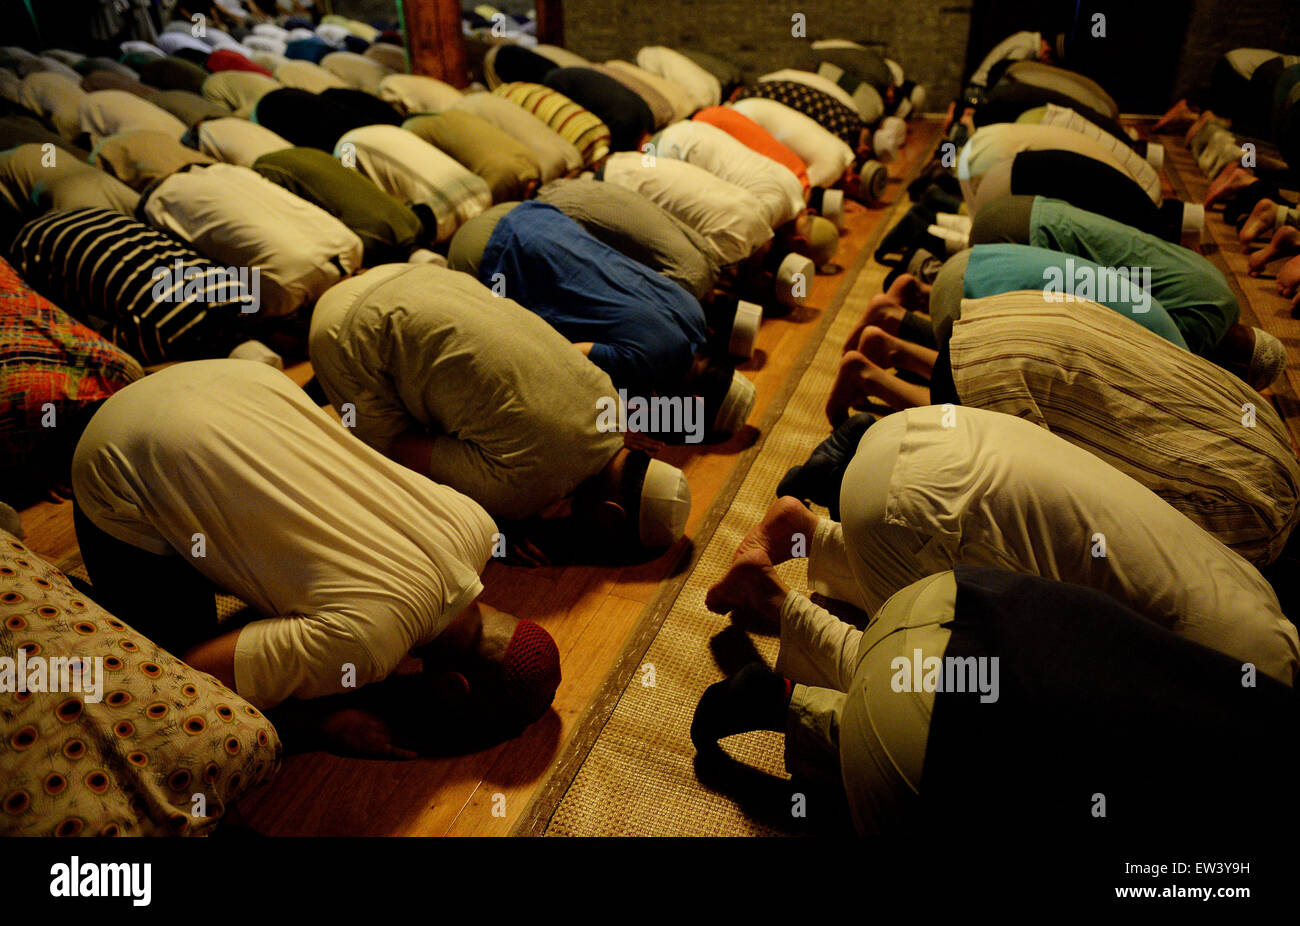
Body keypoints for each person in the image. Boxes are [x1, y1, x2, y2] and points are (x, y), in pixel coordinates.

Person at [71, 359, 562, 753]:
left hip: (235, 379)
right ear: (454, 688)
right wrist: (316, 722)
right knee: (164, 676)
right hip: (119, 449)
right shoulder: (365, 646)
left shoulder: (476, 525)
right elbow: (196, 668)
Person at [826, 289, 1300, 566]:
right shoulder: (1258, 527)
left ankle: (884, 359)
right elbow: (1136, 528)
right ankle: (865, 415)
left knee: (1040, 381)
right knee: (1007, 439)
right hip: (1012, 377)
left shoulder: (1282, 442)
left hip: (1037, 322)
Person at [309, 263, 692, 559]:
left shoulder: (609, 401)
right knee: (387, 464)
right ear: (611, 515)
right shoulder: (524, 492)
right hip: (345, 328)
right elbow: (403, 449)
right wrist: (493, 524)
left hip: (415, 276)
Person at [448, 200, 756, 438]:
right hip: (487, 251)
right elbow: (567, 360)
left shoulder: (693, 311)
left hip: (531, 215)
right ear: (696, 401)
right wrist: (620, 420)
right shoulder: (648, 363)